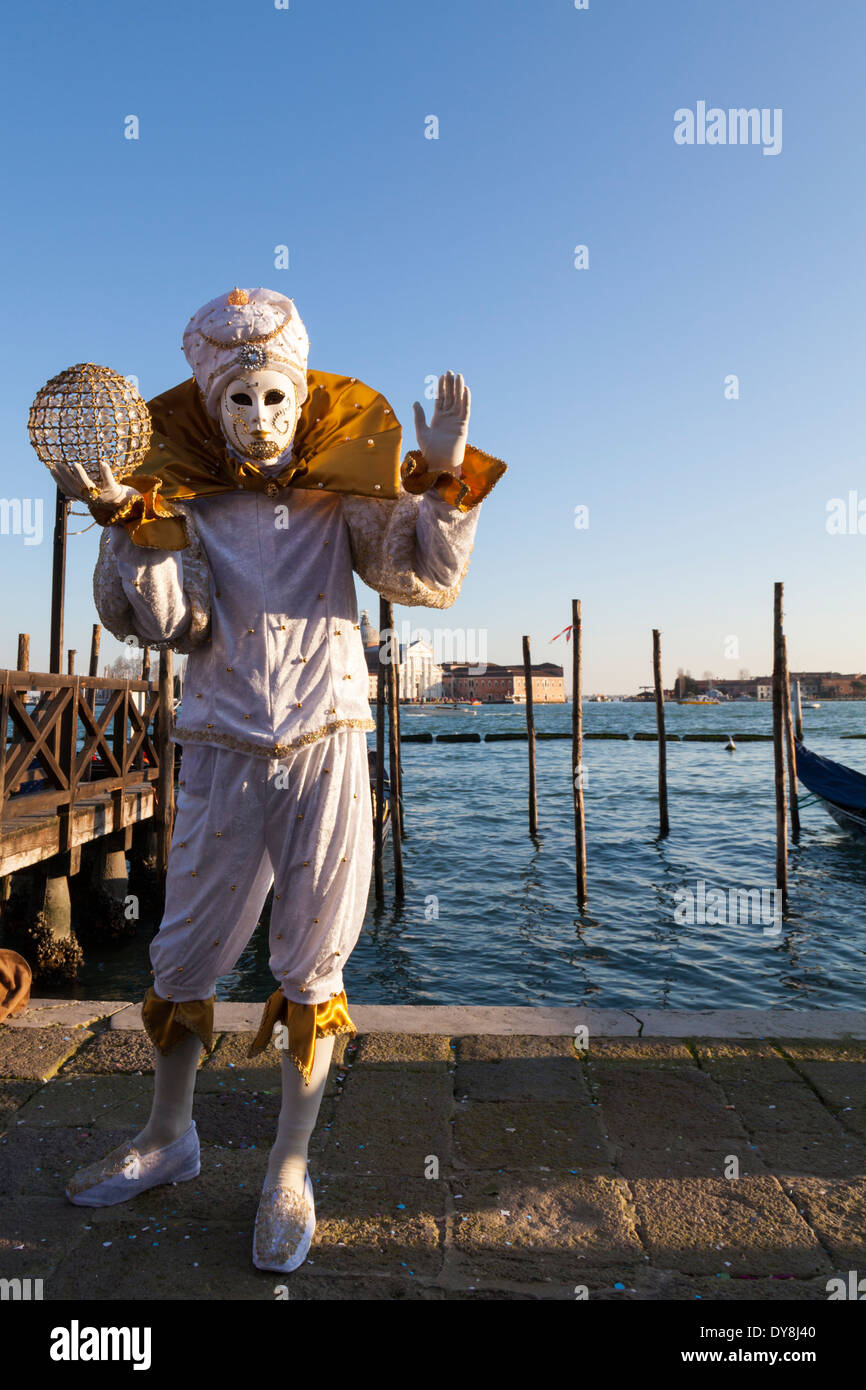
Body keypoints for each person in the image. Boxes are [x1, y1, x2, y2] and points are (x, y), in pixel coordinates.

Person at [57, 286, 505, 1272]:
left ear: (299, 395)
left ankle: (288, 1166)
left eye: (273, 398)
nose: (258, 419)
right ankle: (169, 1135)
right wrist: (129, 524)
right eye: (237, 401)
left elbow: (420, 577)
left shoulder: (342, 488)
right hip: (220, 744)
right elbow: (170, 624)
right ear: (209, 405)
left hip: (328, 743)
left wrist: (437, 479)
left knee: (312, 970)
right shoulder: (183, 495)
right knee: (179, 964)